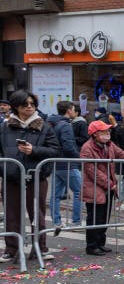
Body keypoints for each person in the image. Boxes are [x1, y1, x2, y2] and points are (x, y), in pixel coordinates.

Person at [0, 90, 60, 263]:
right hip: (11, 177)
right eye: (25, 104)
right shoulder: (4, 126)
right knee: (11, 214)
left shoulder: (44, 126)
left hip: (36, 176)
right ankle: (11, 249)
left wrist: (34, 150)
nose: (29, 107)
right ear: (16, 107)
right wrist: (3, 168)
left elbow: (56, 150)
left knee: (37, 214)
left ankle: (40, 248)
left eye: (32, 104)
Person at [80, 121, 124, 256]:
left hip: (108, 187)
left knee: (104, 217)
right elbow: (91, 171)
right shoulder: (87, 148)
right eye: (104, 131)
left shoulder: (109, 145)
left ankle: (101, 243)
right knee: (95, 218)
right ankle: (92, 246)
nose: (108, 133)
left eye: (108, 131)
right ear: (95, 134)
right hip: (94, 187)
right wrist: (109, 183)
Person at [46, 100, 82, 234]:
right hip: (68, 164)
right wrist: (79, 157)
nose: (74, 111)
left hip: (56, 163)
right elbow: (68, 146)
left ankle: (56, 222)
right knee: (80, 192)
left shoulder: (52, 124)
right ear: (68, 110)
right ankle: (76, 222)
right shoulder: (66, 125)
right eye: (73, 109)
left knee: (55, 195)